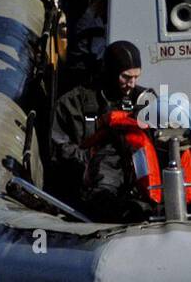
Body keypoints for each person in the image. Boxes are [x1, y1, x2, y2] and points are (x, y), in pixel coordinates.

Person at [49, 40, 146, 203]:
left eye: (136, 77)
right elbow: (58, 150)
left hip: (136, 185)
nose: (132, 84)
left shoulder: (143, 100)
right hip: (87, 186)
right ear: (111, 72)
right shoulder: (72, 103)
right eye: (126, 77)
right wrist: (94, 159)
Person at [81, 92, 191, 222]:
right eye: (171, 137)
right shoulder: (117, 150)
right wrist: (136, 211)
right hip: (136, 225)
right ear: (153, 131)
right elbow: (102, 194)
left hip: (178, 223)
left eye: (183, 139)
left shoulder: (187, 153)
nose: (176, 144)